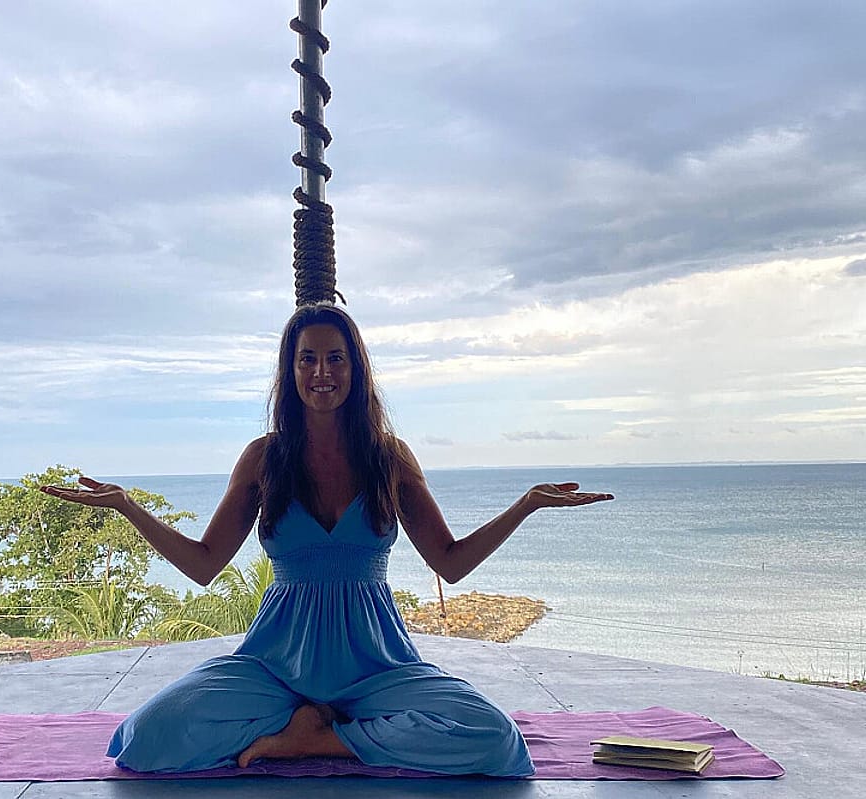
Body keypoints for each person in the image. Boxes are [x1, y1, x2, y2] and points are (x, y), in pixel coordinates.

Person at [41, 303, 613, 776]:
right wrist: (125, 506)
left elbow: (451, 561)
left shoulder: (389, 457)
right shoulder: (264, 458)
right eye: (307, 359)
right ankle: (316, 723)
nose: (322, 372)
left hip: (376, 666)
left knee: (496, 738)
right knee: (146, 738)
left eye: (335, 358)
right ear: (289, 372)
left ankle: (321, 739)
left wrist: (527, 505)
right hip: (274, 666)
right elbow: (204, 563)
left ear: (355, 368)